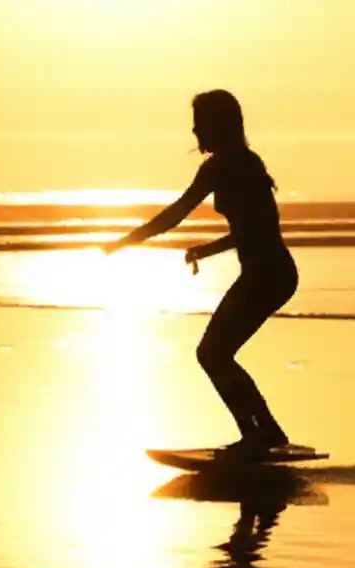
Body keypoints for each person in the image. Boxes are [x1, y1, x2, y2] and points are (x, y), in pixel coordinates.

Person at [105, 90, 297, 458]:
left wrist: (126, 241)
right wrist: (207, 250)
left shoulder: (224, 167)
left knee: (213, 354)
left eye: (199, 123)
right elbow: (253, 230)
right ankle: (266, 432)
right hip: (273, 273)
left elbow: (176, 214)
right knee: (216, 353)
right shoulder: (245, 162)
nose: (194, 131)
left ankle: (260, 435)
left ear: (217, 125)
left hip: (266, 277)